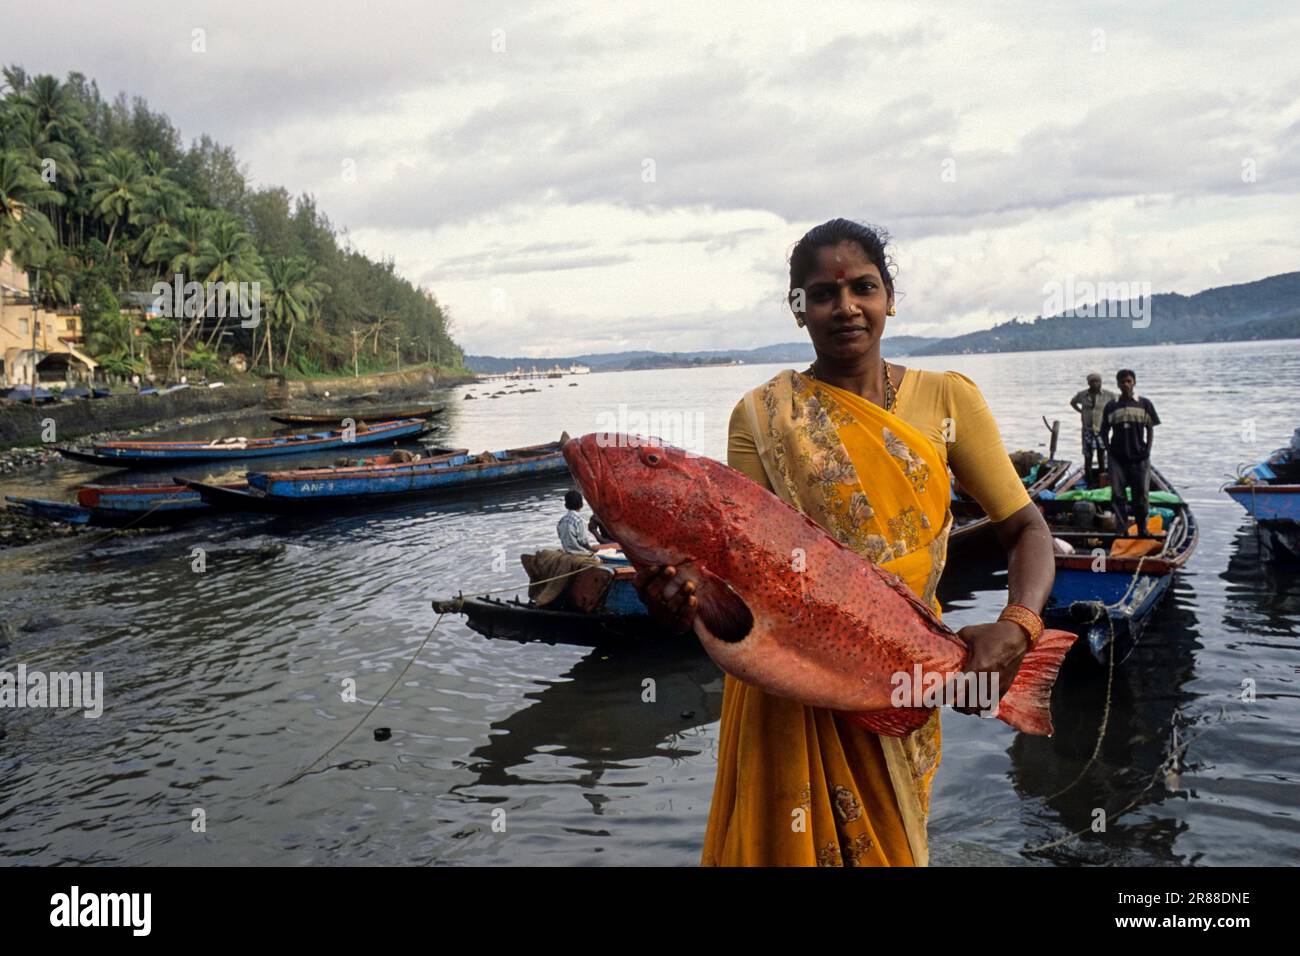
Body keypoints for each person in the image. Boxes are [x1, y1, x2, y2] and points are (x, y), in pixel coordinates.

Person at [634, 218, 1055, 867]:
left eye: (864, 287)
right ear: (798, 309)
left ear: (890, 296)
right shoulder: (760, 415)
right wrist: (682, 598)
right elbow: (738, 567)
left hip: (902, 667)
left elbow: (1026, 528)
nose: (847, 307)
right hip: (786, 682)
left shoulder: (947, 400)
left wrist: (1019, 625)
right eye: (824, 295)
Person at [1099, 369, 1160, 538]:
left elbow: (1150, 428)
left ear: (1134, 383)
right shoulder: (1112, 406)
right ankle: (1122, 530)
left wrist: (1148, 449)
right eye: (1122, 382)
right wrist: (1109, 450)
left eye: (1128, 381)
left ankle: (1142, 529)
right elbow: (1103, 432)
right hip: (1117, 458)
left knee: (1141, 495)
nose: (1126, 385)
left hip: (1140, 457)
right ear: (1118, 384)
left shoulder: (1144, 404)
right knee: (1118, 495)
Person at [1069, 372, 1115, 488]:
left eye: (1097, 381)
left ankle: (1102, 484)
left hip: (1101, 430)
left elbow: (1119, 401)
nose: (1095, 384)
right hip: (1087, 430)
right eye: (1092, 382)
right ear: (1088, 383)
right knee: (1088, 457)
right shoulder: (1082, 395)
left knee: (1101, 457)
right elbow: (1072, 402)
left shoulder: (1108, 395)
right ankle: (1089, 483)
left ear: (1101, 382)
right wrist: (1081, 412)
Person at [557, 489, 598, 554]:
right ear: (581, 504)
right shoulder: (579, 521)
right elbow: (583, 542)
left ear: (566, 505)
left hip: (567, 552)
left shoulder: (561, 521)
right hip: (580, 553)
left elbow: (561, 537)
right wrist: (591, 549)